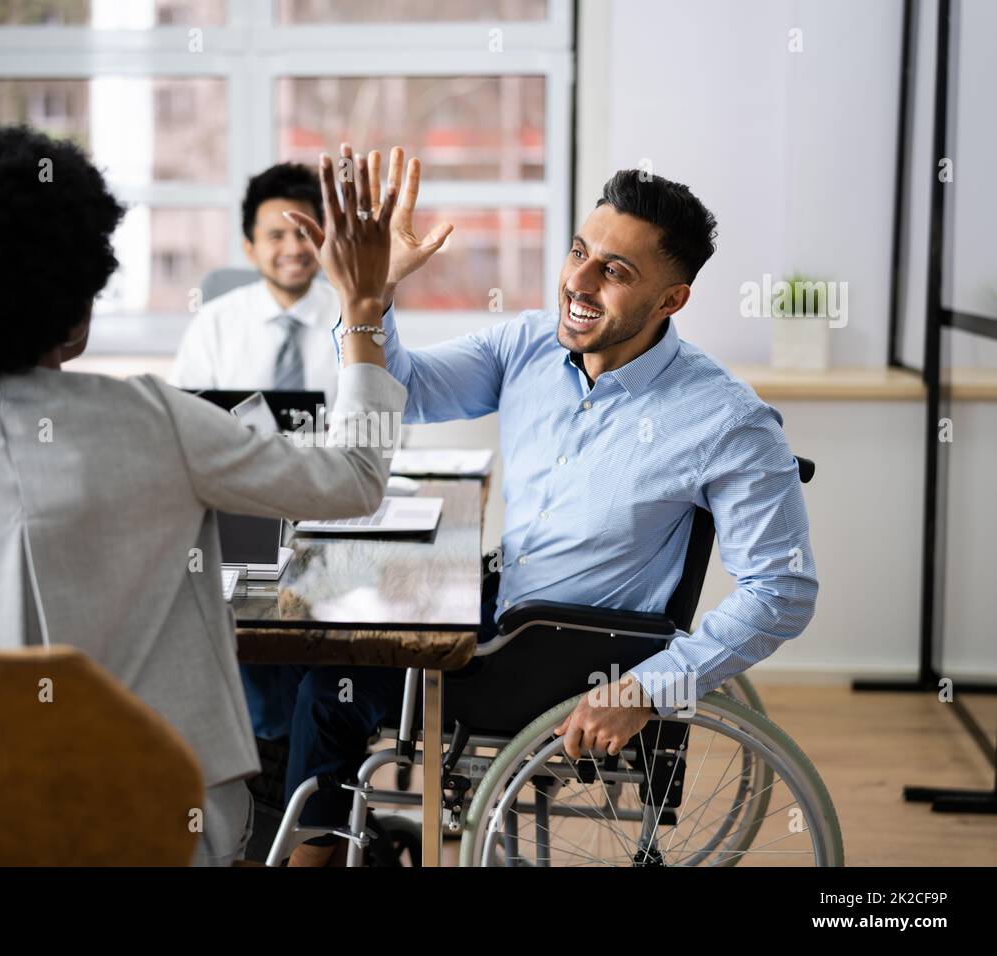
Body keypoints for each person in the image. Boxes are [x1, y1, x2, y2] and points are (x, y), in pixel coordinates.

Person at [0, 127, 408, 867]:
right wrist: (361, 308)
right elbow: (357, 477)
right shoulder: (158, 421)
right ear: (76, 309)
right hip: (159, 828)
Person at [256, 155, 819, 865]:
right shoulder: (527, 344)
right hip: (498, 608)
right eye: (580, 253)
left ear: (670, 301)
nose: (577, 283)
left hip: (560, 658)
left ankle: (313, 852)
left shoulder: (726, 420)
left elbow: (784, 590)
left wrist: (651, 687)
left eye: (613, 272)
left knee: (326, 688)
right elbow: (405, 388)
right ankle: (322, 840)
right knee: (314, 650)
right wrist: (370, 299)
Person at [169, 163, 358, 407]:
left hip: (330, 447)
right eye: (276, 236)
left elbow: (382, 417)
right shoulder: (213, 322)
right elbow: (184, 414)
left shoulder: (353, 319)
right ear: (250, 249)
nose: (294, 250)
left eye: (304, 234)